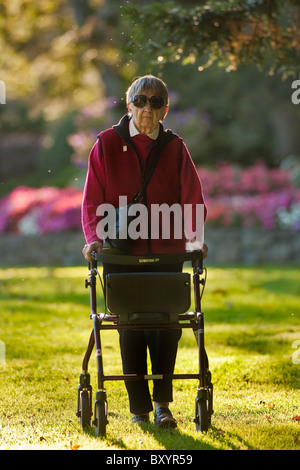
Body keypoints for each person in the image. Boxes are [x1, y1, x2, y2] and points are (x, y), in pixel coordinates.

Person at [82, 75, 207, 428]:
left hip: (167, 253)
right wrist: (93, 238)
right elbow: (93, 200)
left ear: (164, 109)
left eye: (154, 102)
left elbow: (192, 199)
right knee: (129, 327)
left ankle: (163, 406)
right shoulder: (106, 144)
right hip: (121, 254)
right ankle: (139, 410)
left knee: (167, 326)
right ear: (129, 105)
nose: (146, 109)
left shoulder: (175, 147)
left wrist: (194, 241)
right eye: (140, 101)